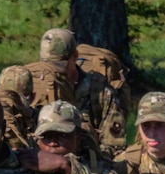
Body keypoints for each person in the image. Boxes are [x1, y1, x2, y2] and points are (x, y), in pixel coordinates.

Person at [38, 28, 127, 156]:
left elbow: (114, 145)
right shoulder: (39, 89)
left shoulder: (100, 92)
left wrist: (89, 160)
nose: (54, 71)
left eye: (59, 65)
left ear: (75, 57)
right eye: (47, 65)